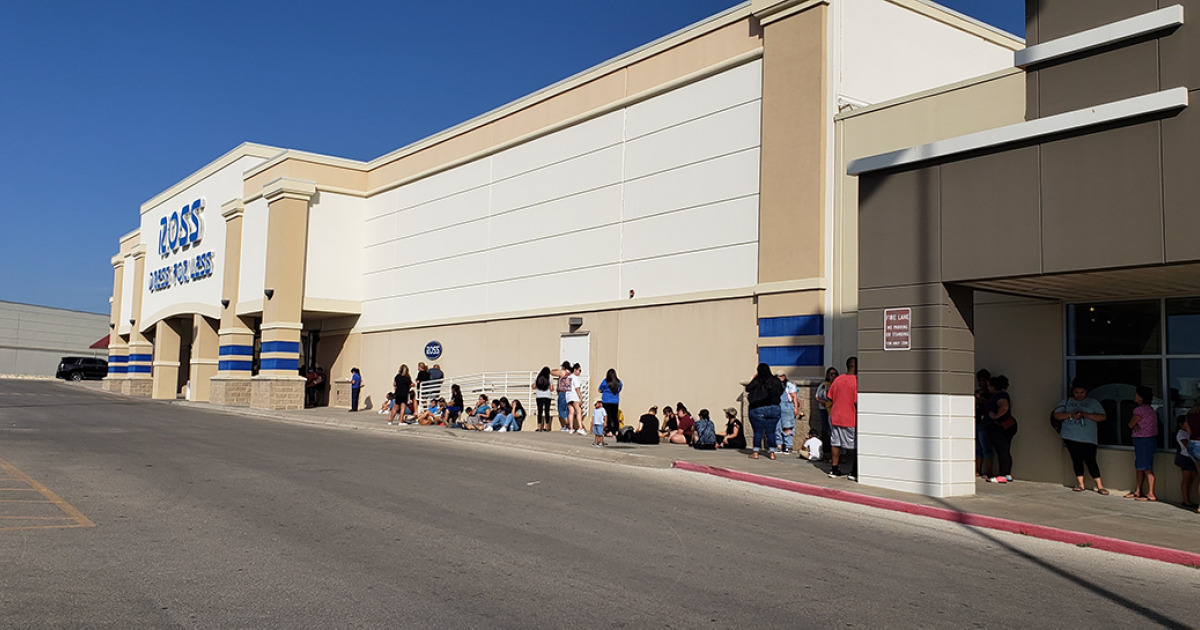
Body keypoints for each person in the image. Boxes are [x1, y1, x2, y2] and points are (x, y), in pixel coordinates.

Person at [1053, 380, 1109, 495]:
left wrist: (1086, 415)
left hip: (1088, 437)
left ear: (1086, 392)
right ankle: (1080, 483)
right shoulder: (1067, 401)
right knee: (1076, 459)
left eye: (1082, 392)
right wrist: (1070, 415)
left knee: (1091, 460)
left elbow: (1103, 417)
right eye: (1076, 392)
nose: (1079, 395)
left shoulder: (1093, 403)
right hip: (1071, 435)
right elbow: (1057, 415)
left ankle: (1099, 485)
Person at [983, 375, 1018, 484]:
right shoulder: (1002, 395)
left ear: (994, 386)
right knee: (1005, 450)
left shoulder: (999, 396)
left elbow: (1005, 407)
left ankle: (1002, 475)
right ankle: (1007, 474)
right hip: (1007, 426)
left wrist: (994, 416)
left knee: (1002, 450)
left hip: (999, 427)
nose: (988, 388)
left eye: (989, 386)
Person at [745, 363, 784, 460]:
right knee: (771, 432)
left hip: (759, 407)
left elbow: (748, 388)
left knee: (758, 431)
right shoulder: (776, 381)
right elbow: (781, 391)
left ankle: (755, 452)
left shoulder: (758, 381)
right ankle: (772, 453)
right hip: (774, 408)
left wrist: (754, 377)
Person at [1126, 385, 1158, 501]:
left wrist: (1134, 426)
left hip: (1142, 440)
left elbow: (1130, 424)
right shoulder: (1150, 409)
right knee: (1140, 466)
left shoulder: (1139, 410)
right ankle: (1138, 490)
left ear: (1141, 397)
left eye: (1137, 394)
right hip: (1149, 439)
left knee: (1146, 467)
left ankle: (1150, 493)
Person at [827, 357, 858, 479]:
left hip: (835, 415)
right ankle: (854, 472)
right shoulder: (856, 381)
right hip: (850, 417)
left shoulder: (837, 380)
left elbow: (830, 397)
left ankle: (834, 469)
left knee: (836, 443)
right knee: (855, 445)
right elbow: (856, 401)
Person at [814, 367, 838, 460]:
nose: (833, 376)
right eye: (831, 374)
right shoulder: (823, 385)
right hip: (824, 409)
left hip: (833, 409)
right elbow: (817, 396)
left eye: (835, 374)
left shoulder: (837, 384)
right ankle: (827, 453)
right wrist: (822, 402)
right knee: (826, 430)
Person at [975, 369, 993, 478]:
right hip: (975, 421)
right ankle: (977, 470)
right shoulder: (975, 392)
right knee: (977, 448)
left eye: (984, 380)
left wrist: (981, 399)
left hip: (984, 423)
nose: (981, 383)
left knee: (986, 447)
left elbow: (989, 404)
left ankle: (989, 471)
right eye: (980, 380)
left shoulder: (990, 394)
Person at [1176, 416, 1197, 509]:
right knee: (1186, 479)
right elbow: (1186, 445)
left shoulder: (1190, 433)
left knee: (1192, 478)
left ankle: (1188, 499)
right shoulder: (1181, 434)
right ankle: (1185, 499)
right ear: (1181, 424)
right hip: (1186, 457)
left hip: (1193, 458)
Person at [776, 374, 801, 453]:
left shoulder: (789, 385)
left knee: (787, 427)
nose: (781, 377)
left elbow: (794, 397)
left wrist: (796, 408)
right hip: (777, 406)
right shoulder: (773, 385)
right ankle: (778, 445)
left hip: (787, 407)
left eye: (782, 376)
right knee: (776, 427)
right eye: (779, 376)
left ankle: (788, 446)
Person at [551, 362, 574, 432]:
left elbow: (551, 372)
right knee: (567, 410)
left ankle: (566, 421)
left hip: (562, 393)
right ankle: (567, 426)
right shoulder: (570, 374)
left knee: (560, 409)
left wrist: (558, 370)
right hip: (569, 393)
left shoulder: (563, 372)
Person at [599, 369, 622, 437]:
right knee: (614, 416)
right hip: (615, 401)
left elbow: (600, 389)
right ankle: (616, 430)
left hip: (606, 401)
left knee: (608, 416)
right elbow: (620, 389)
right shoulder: (618, 382)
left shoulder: (605, 381)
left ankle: (609, 431)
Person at [533, 367, 554, 432]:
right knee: (547, 411)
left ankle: (539, 427)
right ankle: (547, 427)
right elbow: (552, 389)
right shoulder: (550, 377)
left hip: (539, 396)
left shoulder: (537, 377)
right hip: (547, 396)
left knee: (540, 411)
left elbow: (533, 387)